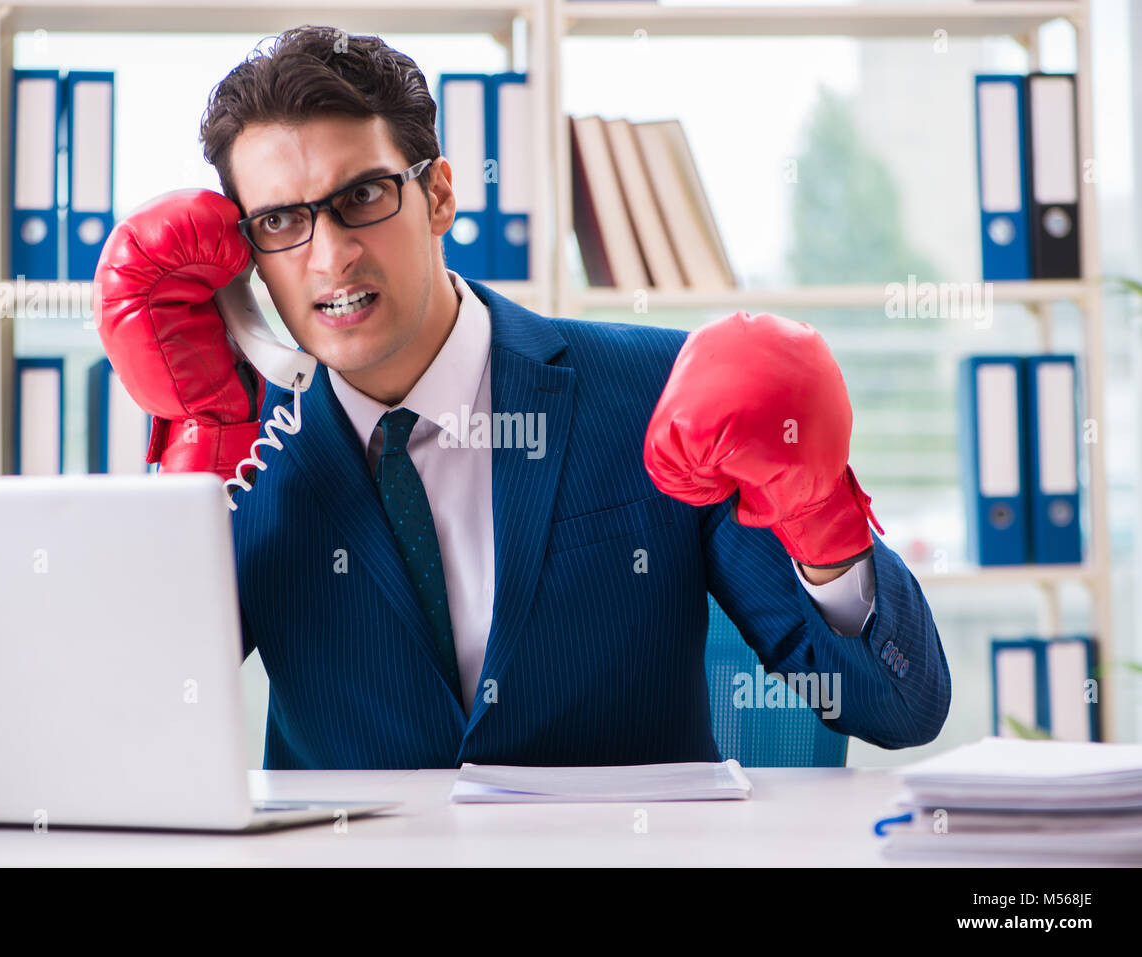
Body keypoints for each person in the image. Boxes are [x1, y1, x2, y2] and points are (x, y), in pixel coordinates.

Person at [95, 26, 950, 769]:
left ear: (437, 195)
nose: (331, 257)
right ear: (245, 253)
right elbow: (132, 723)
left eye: (362, 197)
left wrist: (823, 520)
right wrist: (202, 448)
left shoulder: (656, 391)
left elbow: (897, 707)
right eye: (281, 221)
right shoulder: (246, 453)